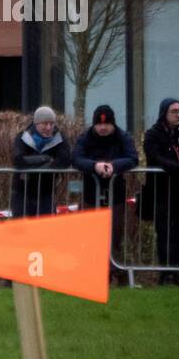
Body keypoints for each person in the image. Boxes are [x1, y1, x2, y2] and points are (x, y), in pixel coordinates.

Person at [72, 105, 138, 283]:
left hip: (115, 195)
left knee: (114, 235)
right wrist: (95, 166)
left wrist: (114, 166)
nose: (102, 128)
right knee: (91, 236)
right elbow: (76, 158)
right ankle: (94, 273)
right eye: (99, 124)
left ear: (113, 124)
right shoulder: (85, 137)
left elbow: (132, 158)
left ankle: (113, 272)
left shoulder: (122, 136)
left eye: (107, 124)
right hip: (90, 194)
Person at [142, 98, 179, 284]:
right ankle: (167, 273)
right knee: (165, 234)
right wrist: (177, 168)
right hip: (162, 192)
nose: (178, 115)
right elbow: (155, 157)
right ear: (164, 113)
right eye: (173, 111)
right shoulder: (154, 133)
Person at [10, 105, 71, 218]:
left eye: (51, 124)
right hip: (22, 193)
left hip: (46, 194)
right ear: (36, 124)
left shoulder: (60, 138)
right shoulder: (23, 137)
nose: (48, 128)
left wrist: (33, 165)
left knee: (45, 231)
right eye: (44, 124)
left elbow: (64, 160)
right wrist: (46, 159)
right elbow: (18, 161)